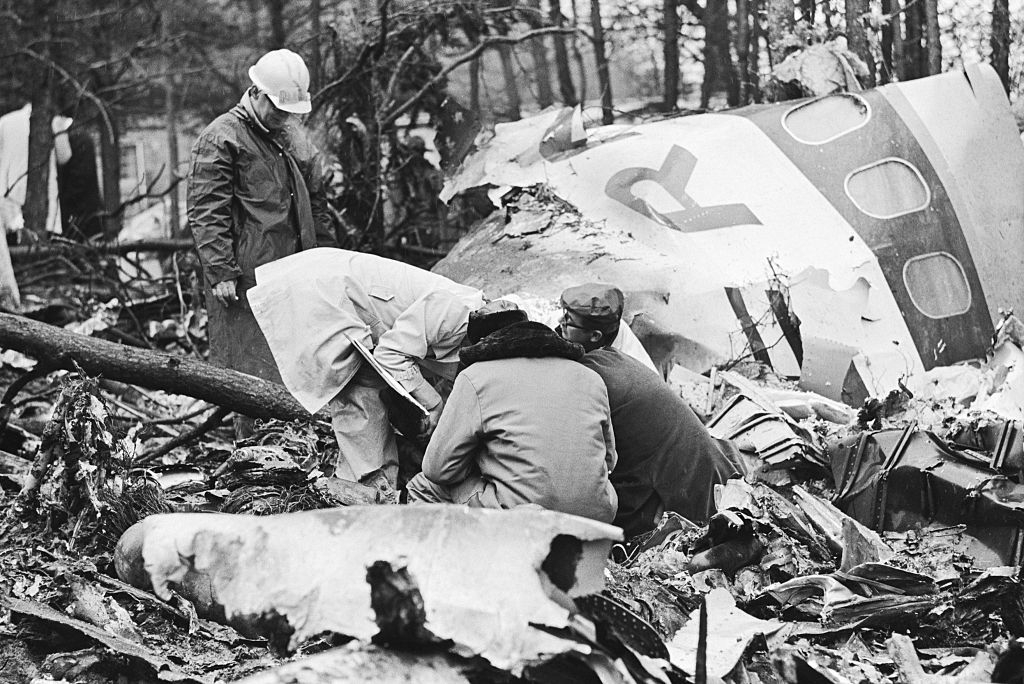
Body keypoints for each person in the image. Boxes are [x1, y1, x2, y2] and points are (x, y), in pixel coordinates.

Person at [247, 247, 488, 485]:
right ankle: (367, 491)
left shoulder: (473, 320)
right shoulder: (458, 312)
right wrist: (433, 404)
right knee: (359, 387)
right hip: (325, 291)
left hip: (338, 288)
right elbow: (390, 354)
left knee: (370, 385)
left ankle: (371, 484)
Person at [187, 48, 336, 392]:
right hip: (246, 279)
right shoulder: (221, 137)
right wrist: (221, 270)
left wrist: (328, 255)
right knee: (249, 372)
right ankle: (251, 442)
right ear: (256, 92)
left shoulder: (290, 135)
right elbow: (207, 210)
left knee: (296, 368)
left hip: (295, 271)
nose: (283, 116)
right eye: (279, 108)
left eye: (289, 111)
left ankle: (293, 442)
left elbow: (316, 201)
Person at [559, 283, 743, 538]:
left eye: (568, 322)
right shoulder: (613, 357)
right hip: (699, 468)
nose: (560, 324)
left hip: (694, 491)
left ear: (594, 337)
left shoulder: (594, 378)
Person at [406, 313, 618, 523]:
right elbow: (609, 461)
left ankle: (469, 552)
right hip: (597, 513)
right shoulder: (591, 378)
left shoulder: (475, 377)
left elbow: (437, 470)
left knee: (422, 486)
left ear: (484, 344)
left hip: (523, 515)